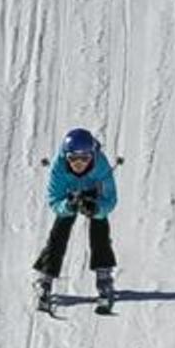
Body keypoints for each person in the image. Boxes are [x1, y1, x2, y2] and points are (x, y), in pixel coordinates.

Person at [35, 128, 118, 314]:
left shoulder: (101, 165)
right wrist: (68, 206)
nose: (79, 164)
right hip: (69, 194)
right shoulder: (59, 166)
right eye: (73, 159)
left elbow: (110, 198)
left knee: (100, 226)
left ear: (92, 156)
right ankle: (46, 278)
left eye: (84, 158)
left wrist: (97, 208)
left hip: (93, 193)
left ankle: (104, 277)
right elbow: (54, 199)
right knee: (60, 229)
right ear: (66, 156)